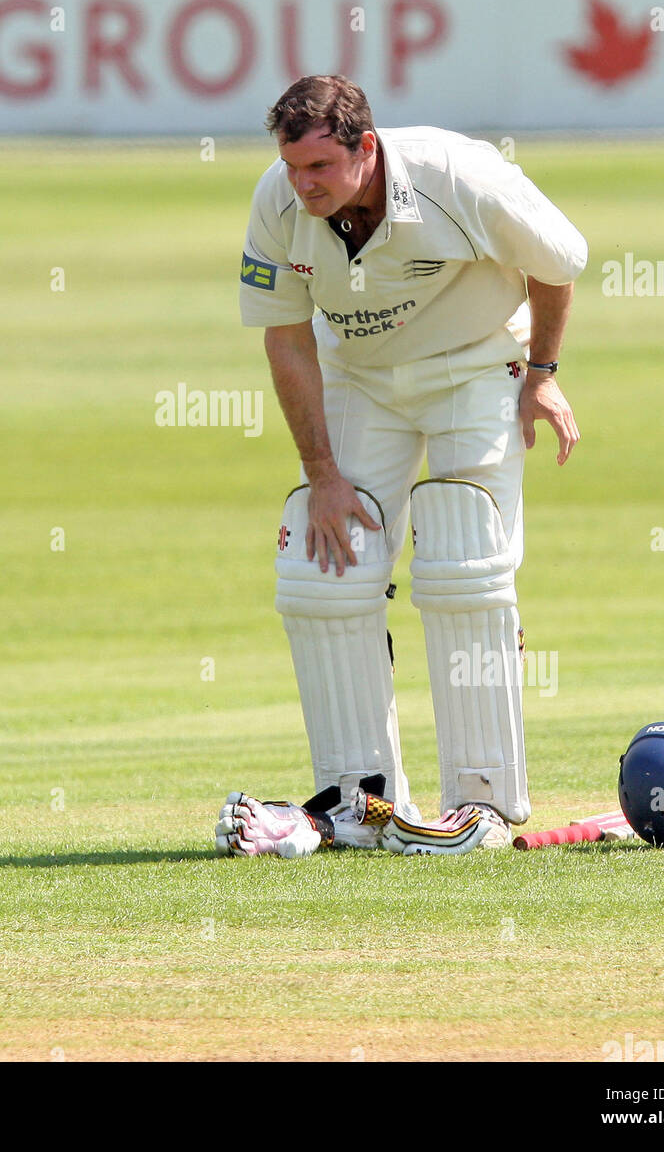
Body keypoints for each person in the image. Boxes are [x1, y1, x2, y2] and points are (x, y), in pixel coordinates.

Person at [216, 75, 587, 860]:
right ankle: (360, 799)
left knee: (463, 561)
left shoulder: (459, 177)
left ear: (367, 148)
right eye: (291, 167)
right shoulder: (278, 204)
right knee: (327, 569)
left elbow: (560, 261)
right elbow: (286, 337)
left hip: (475, 366)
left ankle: (479, 802)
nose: (302, 185)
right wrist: (321, 473)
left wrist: (543, 373)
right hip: (360, 378)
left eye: (319, 167)